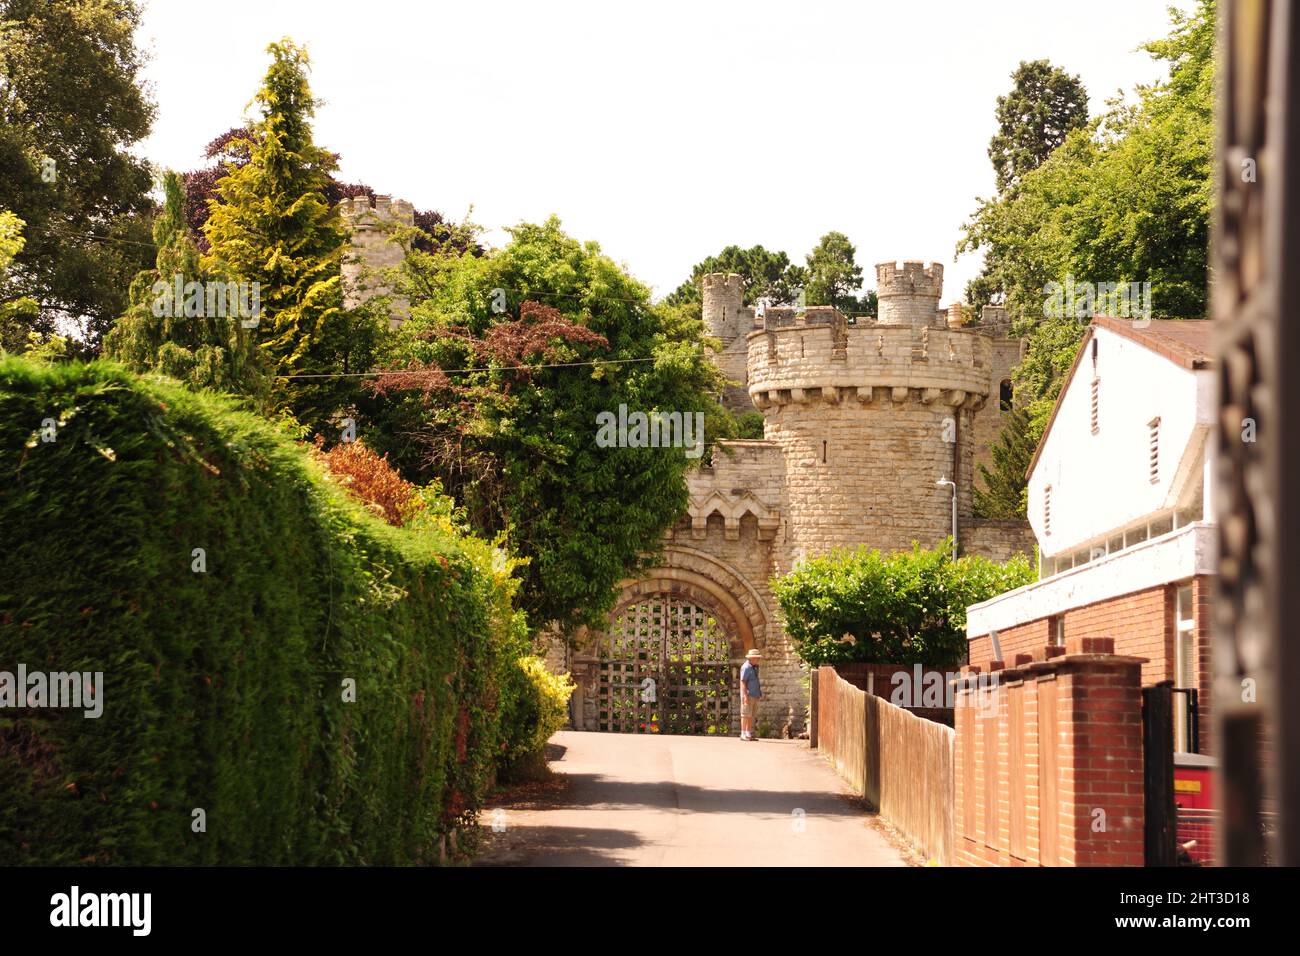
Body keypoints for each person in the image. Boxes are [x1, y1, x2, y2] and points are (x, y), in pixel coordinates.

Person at [739, 649, 762, 740]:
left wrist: (759, 693)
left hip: (754, 694)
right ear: (752, 658)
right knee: (745, 714)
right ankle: (743, 733)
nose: (758, 660)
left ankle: (748, 733)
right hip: (748, 695)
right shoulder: (746, 667)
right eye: (757, 658)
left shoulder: (754, 667)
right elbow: (743, 682)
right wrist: (745, 696)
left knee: (751, 715)